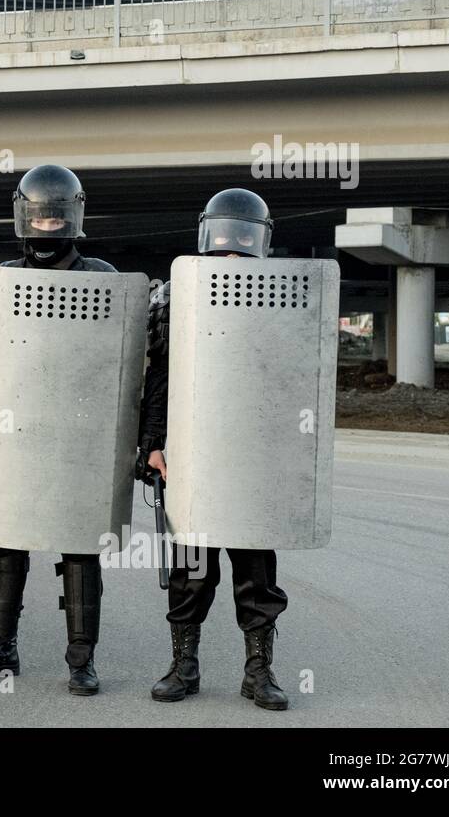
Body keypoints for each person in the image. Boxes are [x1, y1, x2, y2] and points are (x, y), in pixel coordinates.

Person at [0, 165, 117, 695]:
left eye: (55, 217)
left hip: (79, 433)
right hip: (15, 430)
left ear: (73, 218)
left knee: (79, 546)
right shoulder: (2, 277)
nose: (46, 227)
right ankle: (0, 645)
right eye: (38, 216)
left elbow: (118, 365)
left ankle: (81, 658)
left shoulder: (100, 277)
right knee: (8, 540)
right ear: (23, 217)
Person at [136, 187, 289, 711]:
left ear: (260, 244)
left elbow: (293, 380)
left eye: (242, 240)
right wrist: (153, 444)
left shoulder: (280, 294)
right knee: (191, 573)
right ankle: (184, 667)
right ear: (206, 239)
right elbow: (160, 377)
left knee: (257, 576)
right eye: (223, 239)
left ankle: (259, 673)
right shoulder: (178, 293)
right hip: (194, 454)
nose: (231, 251)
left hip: (253, 458)